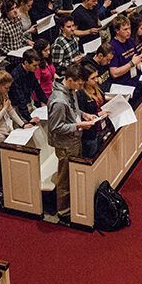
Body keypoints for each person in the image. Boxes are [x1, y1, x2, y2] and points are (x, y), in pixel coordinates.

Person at [47, 64, 96, 220]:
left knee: (72, 174)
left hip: (75, 139)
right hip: (66, 145)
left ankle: (72, 204)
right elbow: (56, 127)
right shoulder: (59, 101)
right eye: (80, 84)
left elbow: (73, 111)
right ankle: (64, 211)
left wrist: (84, 114)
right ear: (69, 79)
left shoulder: (70, 90)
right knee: (65, 179)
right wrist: (78, 125)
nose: (81, 87)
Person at [0, 69, 35, 196]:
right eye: (6, 88)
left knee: (6, 161)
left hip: (5, 131)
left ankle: (8, 183)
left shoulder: (2, 93)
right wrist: (4, 109)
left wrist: (23, 124)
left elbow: (10, 109)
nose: (8, 90)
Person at [77, 62, 108, 158]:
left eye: (96, 77)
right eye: (93, 78)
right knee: (92, 158)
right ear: (85, 80)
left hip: (102, 129)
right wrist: (98, 114)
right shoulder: (81, 94)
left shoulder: (96, 88)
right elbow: (81, 116)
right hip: (90, 135)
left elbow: (102, 99)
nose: (96, 80)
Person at [8, 49, 47, 123]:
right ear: (26, 63)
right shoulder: (15, 75)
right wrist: (28, 118)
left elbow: (38, 88)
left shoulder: (30, 71)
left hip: (28, 102)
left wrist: (45, 102)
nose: (37, 67)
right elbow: (20, 98)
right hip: (18, 108)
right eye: (35, 65)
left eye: (38, 65)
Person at [109, 13, 142, 88]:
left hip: (136, 79)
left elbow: (137, 60)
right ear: (117, 31)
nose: (129, 31)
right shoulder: (112, 47)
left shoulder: (130, 40)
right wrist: (132, 63)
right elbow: (114, 73)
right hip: (124, 85)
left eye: (129, 28)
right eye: (125, 29)